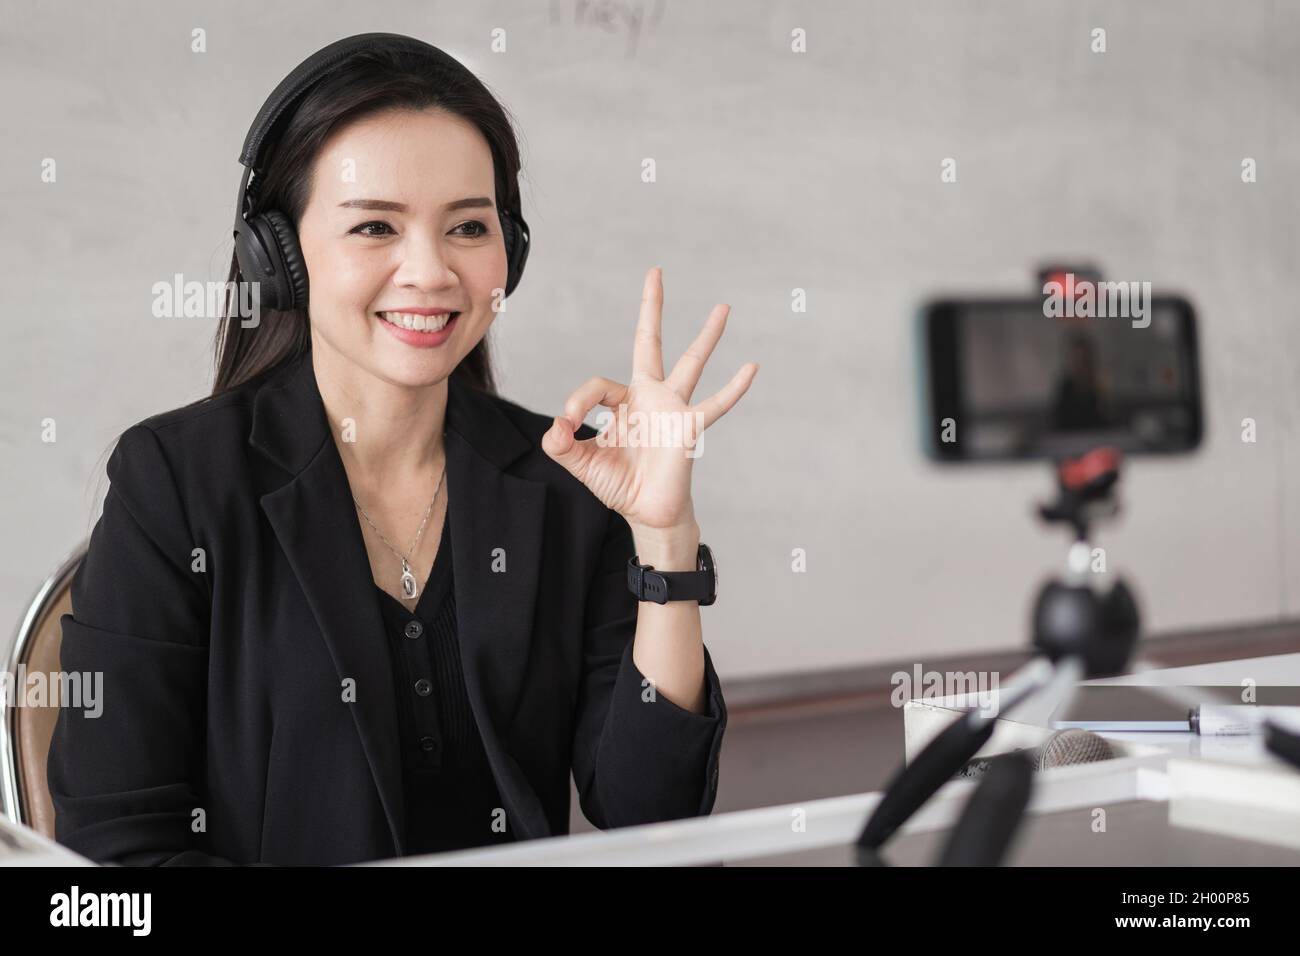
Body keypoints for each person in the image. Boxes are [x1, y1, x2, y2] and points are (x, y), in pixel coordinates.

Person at [47, 33, 757, 866]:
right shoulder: (175, 483)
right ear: (278, 257)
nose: (429, 272)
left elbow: (651, 809)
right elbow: (117, 850)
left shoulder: (565, 478)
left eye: (467, 226)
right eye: (375, 226)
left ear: (509, 253)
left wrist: (665, 538)